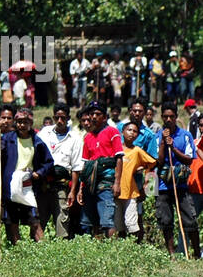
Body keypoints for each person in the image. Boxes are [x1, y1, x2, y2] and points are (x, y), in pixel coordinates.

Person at [0, 107, 53, 244]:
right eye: (19, 122)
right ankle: (18, 250)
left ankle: (44, 250)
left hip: (28, 184)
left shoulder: (37, 141)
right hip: (10, 183)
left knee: (34, 220)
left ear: (31, 123)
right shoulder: (8, 139)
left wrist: (39, 173)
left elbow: (49, 162)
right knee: (12, 220)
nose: (22, 125)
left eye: (25, 122)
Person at [155, 102, 199, 258]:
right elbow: (158, 162)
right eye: (165, 117)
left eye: (171, 116)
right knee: (166, 220)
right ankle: (172, 253)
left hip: (181, 184)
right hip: (162, 185)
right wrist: (163, 142)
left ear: (176, 117)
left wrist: (173, 148)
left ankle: (196, 253)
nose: (168, 119)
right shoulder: (157, 137)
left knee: (190, 220)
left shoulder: (185, 136)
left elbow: (189, 159)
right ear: (162, 117)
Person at [36, 104, 83, 239]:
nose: (60, 121)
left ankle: (61, 245)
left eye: (63, 118)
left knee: (62, 218)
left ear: (68, 118)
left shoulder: (75, 138)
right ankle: (38, 246)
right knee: (39, 218)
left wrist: (72, 191)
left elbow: (76, 167)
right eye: (57, 117)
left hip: (61, 185)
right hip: (43, 183)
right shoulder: (45, 133)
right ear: (53, 117)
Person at [78, 102, 122, 239]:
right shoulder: (88, 137)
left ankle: (112, 249)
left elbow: (119, 158)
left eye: (98, 114)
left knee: (107, 220)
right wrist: (81, 189)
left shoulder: (112, 132)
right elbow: (85, 166)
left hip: (106, 182)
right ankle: (98, 248)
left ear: (105, 117)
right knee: (93, 221)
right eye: (92, 114)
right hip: (90, 184)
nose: (94, 117)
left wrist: (117, 183)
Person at [114, 121, 155, 242]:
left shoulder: (137, 151)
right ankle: (121, 248)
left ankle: (135, 246)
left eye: (135, 131)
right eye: (129, 130)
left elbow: (152, 162)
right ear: (122, 132)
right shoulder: (116, 149)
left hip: (131, 191)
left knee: (131, 223)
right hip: (116, 191)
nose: (132, 133)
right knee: (118, 225)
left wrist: (144, 172)